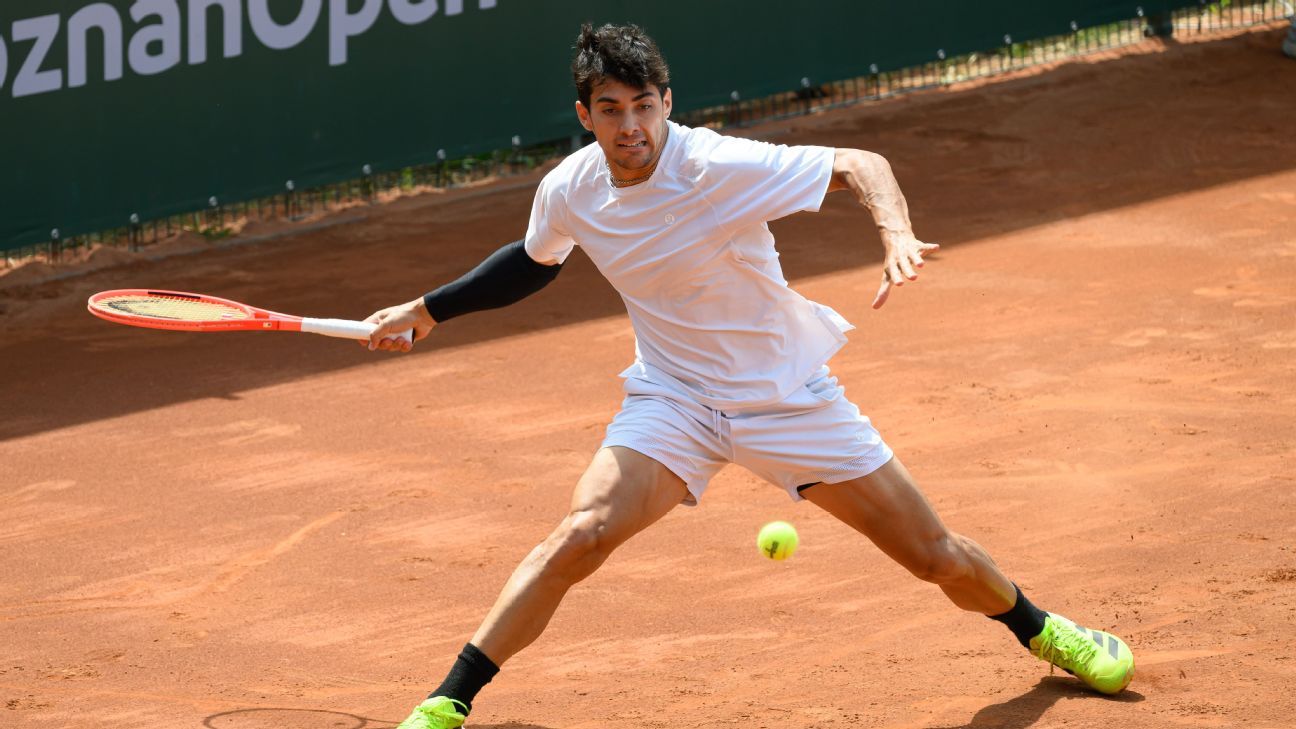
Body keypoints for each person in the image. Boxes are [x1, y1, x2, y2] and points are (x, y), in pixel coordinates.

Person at [363, 23, 1136, 729]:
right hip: (674, 399)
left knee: (934, 555)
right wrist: (428, 310)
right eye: (611, 109)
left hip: (785, 397)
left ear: (667, 103)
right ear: (584, 115)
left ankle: (1045, 629)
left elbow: (859, 164)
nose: (631, 126)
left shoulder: (715, 164)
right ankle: (445, 701)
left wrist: (895, 232)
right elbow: (532, 263)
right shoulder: (570, 188)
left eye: (643, 106)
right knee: (582, 533)